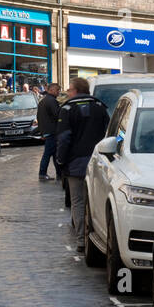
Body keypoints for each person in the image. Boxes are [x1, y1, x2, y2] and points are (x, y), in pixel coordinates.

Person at [55, 78, 109, 253]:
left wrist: (60, 161)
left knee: (78, 201)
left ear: (76, 90)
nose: (68, 93)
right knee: (96, 199)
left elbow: (63, 139)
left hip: (75, 162)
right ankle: (98, 235)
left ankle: (81, 239)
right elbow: (109, 134)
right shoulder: (100, 108)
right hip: (98, 161)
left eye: (69, 89)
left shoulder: (68, 109)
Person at [36, 82, 62, 181]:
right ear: (51, 90)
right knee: (48, 153)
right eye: (57, 90)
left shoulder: (43, 101)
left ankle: (59, 174)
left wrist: (42, 132)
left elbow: (39, 117)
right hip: (52, 131)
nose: (58, 92)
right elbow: (57, 115)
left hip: (47, 131)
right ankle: (42, 173)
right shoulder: (52, 101)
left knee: (55, 154)